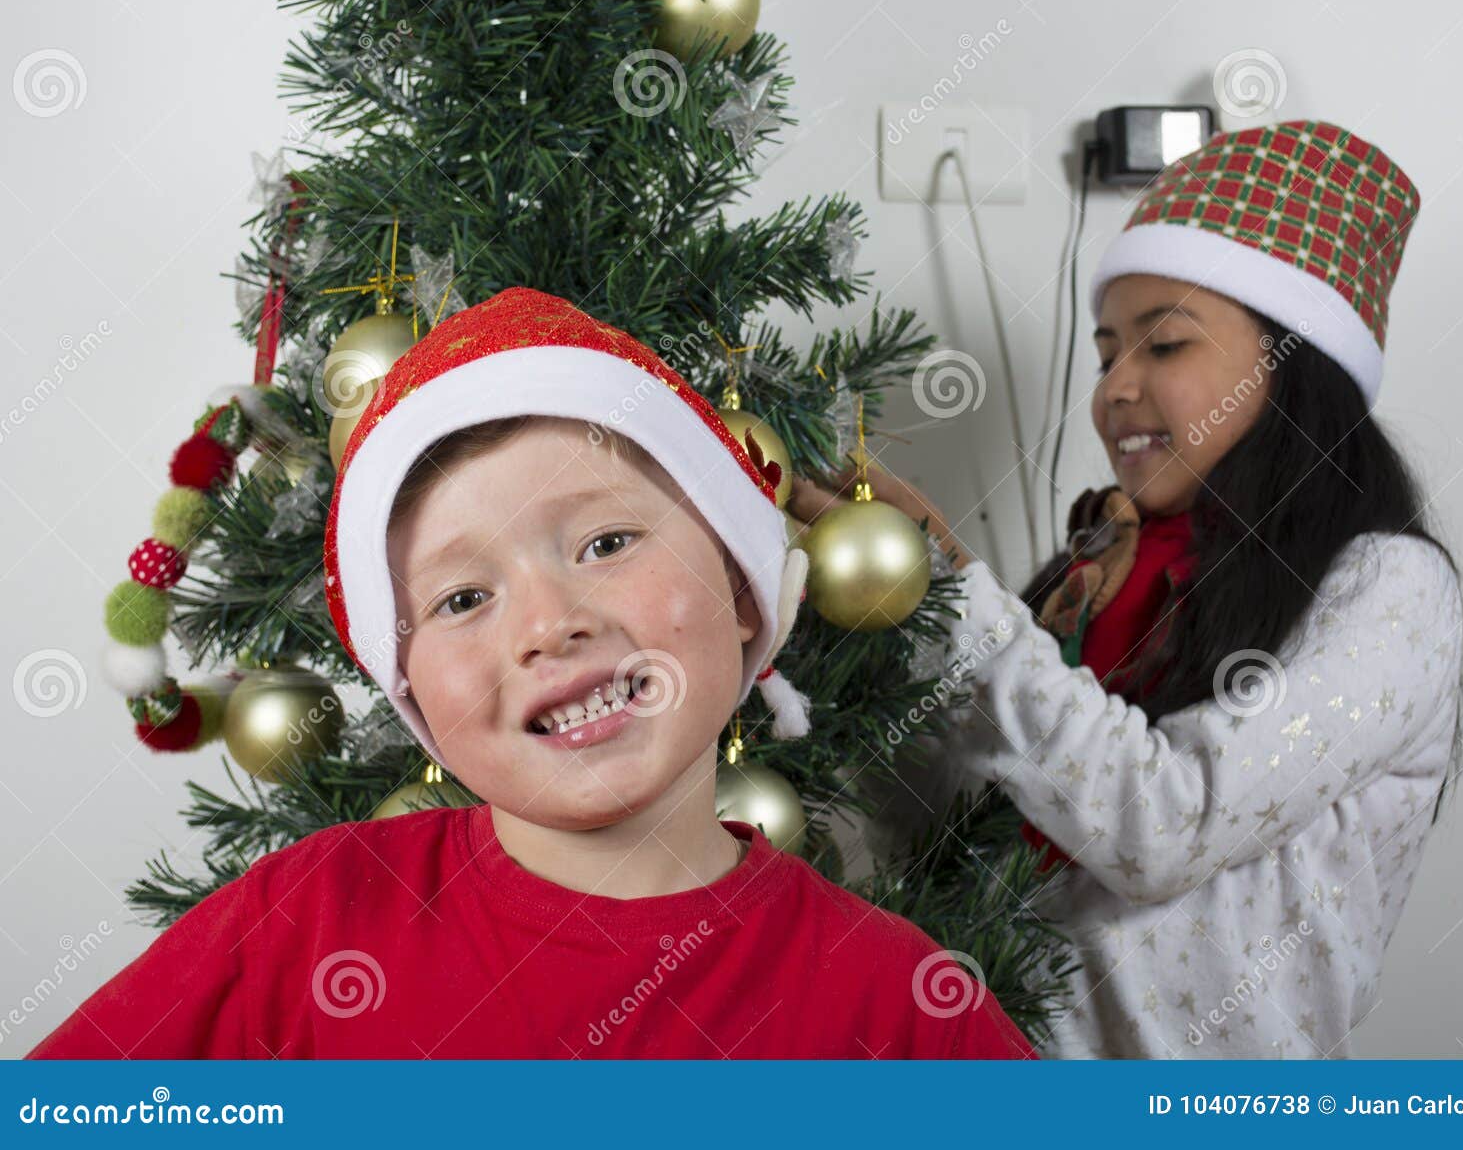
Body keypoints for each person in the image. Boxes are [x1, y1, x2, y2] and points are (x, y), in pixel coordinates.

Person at [29, 287, 1034, 1060]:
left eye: (605, 543)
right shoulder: (302, 922)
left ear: (743, 593)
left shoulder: (899, 1005)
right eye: (464, 599)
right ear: (410, 689)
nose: (549, 626)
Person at [792, 120, 1463, 1058]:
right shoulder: (1093, 576)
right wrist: (889, 617)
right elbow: (957, 833)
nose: (1114, 387)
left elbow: (1165, 824)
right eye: (1106, 352)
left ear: (1295, 367)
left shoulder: (1388, 585)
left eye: (1164, 346)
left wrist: (960, 593)